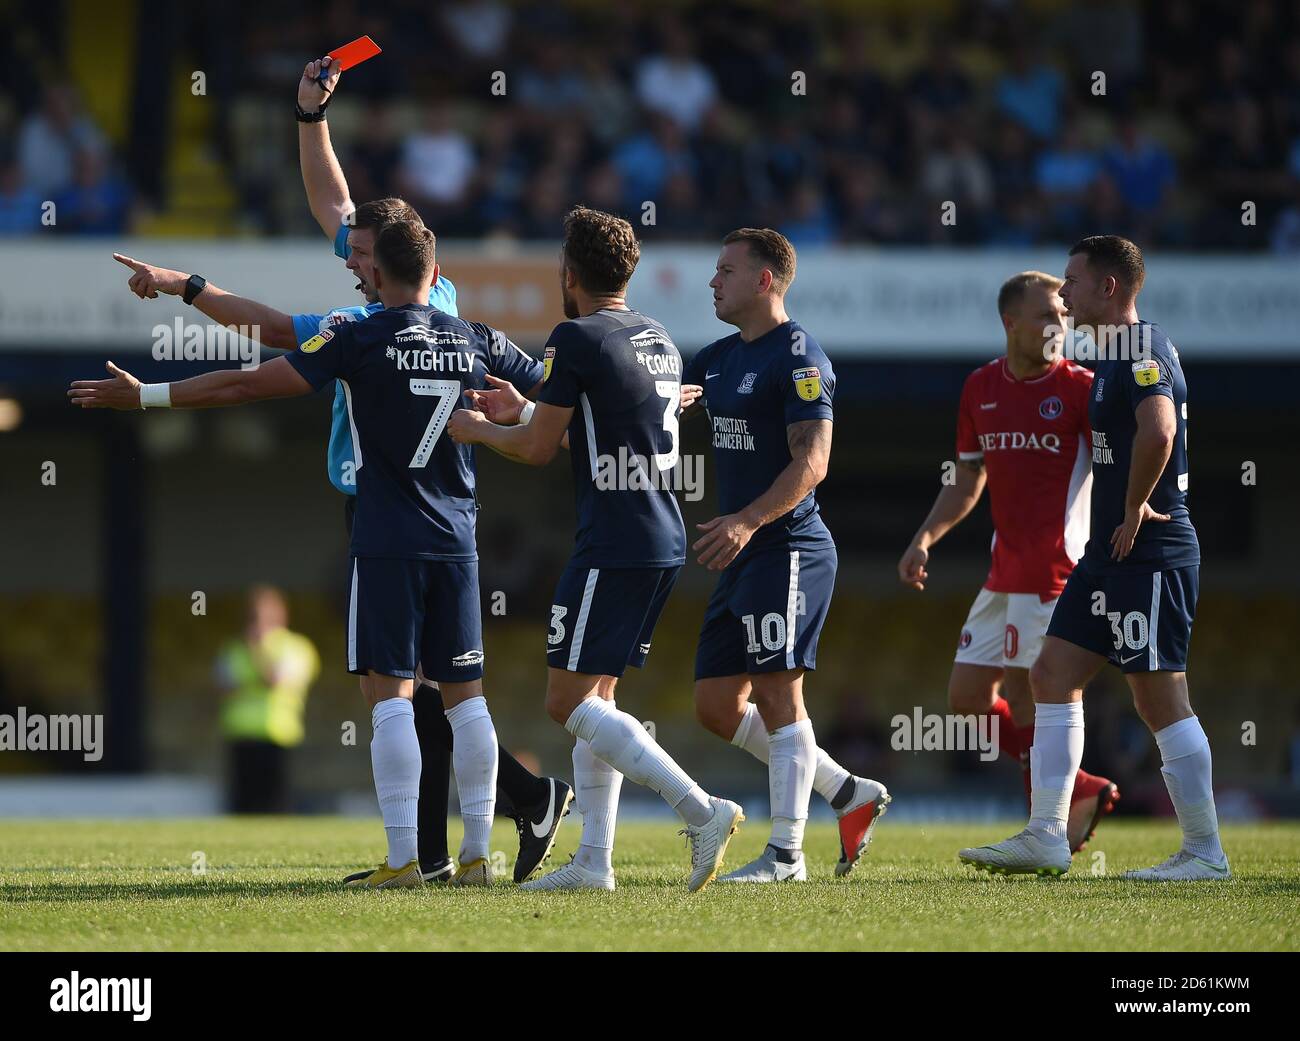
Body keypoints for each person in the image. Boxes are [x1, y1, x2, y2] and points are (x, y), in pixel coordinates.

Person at [72, 221, 537, 888]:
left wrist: (145, 394)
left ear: (377, 277)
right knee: (468, 704)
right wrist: (649, 401)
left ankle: (405, 859)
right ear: (437, 276)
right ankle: (476, 857)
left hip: (385, 538)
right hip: (457, 541)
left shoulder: (355, 335)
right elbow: (558, 384)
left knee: (392, 701)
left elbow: (243, 385)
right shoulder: (478, 337)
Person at [447, 206, 743, 892]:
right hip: (659, 533)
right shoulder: (658, 338)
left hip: (613, 539)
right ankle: (594, 862)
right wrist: (520, 407)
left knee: (565, 701)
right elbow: (591, 429)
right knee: (599, 698)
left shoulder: (574, 337)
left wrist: (476, 430)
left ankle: (701, 809)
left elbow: (539, 448)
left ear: (569, 272)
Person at [960, 235, 1228, 881]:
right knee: (1051, 674)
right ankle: (1047, 833)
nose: (1065, 295)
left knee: (1159, 698)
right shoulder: (1106, 356)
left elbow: (1159, 428)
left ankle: (1204, 851)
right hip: (1105, 556)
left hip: (1150, 548)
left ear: (1109, 287)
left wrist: (1135, 505)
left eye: (1073, 282)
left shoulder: (1140, 346)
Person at [681, 228, 889, 882]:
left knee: (777, 691)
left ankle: (786, 854)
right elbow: (653, 399)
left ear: (765, 279)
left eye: (726, 270)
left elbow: (814, 461)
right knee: (716, 705)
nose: (713, 281)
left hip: (786, 545)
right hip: (741, 553)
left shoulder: (798, 355)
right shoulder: (714, 360)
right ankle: (847, 790)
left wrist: (746, 520)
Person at [898, 270, 1118, 851]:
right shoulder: (980, 388)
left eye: (1064, 315)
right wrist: (926, 537)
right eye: (1047, 314)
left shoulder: (1082, 389)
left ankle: (1044, 828)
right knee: (967, 699)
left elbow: (1115, 470)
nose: (1060, 325)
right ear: (1010, 322)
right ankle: (1079, 786)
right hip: (1003, 574)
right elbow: (969, 476)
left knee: (1035, 698)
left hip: (1058, 575)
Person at [216, 585, 319, 813]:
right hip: (241, 734)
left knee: (275, 803)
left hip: (278, 734)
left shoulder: (295, 647)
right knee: (242, 803)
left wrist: (258, 652)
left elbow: (276, 681)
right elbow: (223, 687)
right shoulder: (233, 649)